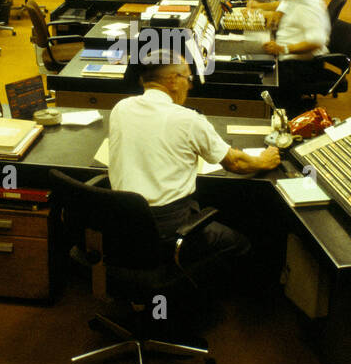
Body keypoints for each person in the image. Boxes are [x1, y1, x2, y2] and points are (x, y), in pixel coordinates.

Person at [108, 57, 280, 259]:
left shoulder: (121, 108)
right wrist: (265, 159)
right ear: (173, 80)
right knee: (240, 244)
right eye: (188, 78)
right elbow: (236, 163)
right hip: (168, 227)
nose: (189, 86)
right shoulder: (188, 119)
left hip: (121, 222)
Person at [262, 0, 331, 114]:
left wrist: (283, 48)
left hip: (303, 64)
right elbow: (283, 8)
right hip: (289, 56)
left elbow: (316, 41)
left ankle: (287, 115)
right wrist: (275, 16)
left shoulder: (307, 2)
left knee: (265, 80)